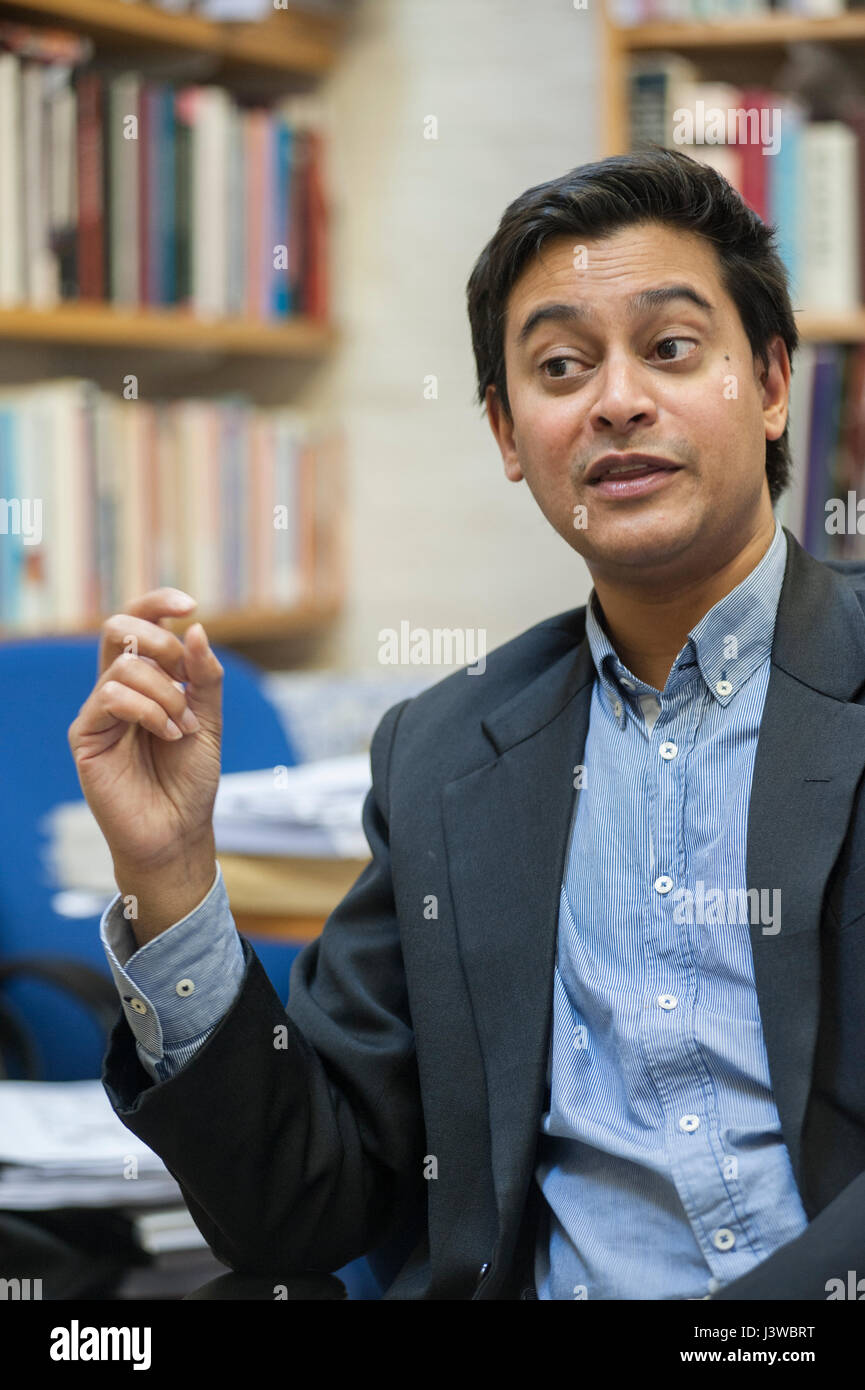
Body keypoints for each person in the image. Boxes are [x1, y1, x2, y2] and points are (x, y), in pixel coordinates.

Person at [69, 146, 865, 1300]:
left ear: (774, 381)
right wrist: (170, 871)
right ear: (505, 432)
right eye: (559, 366)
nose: (618, 399)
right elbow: (302, 1200)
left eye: (672, 347)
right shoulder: (446, 754)